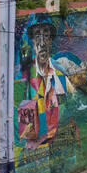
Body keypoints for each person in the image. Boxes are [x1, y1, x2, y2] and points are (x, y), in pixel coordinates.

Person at [17, 16, 73, 149]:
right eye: (37, 36)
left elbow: (68, 107)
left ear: (51, 42)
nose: (42, 43)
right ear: (31, 41)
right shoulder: (22, 76)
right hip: (31, 149)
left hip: (54, 145)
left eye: (46, 36)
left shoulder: (60, 74)